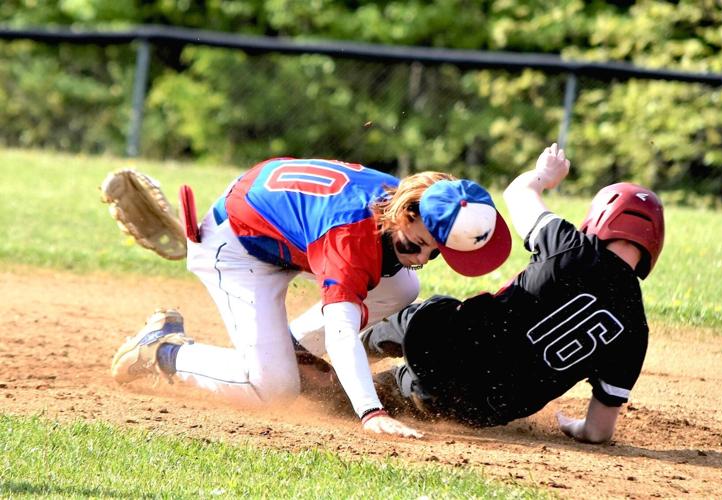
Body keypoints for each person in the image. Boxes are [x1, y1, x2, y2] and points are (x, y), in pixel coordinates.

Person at [110, 156, 512, 439]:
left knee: (402, 285)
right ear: (404, 215)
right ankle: (162, 351)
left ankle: (291, 349)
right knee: (272, 389)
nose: (422, 258)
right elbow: (341, 333)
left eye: (434, 252)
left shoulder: (405, 199)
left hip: (281, 233)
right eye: (415, 245)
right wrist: (371, 412)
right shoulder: (349, 240)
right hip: (236, 251)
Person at [361, 143, 665, 443]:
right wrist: (575, 426)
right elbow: (598, 431)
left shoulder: (570, 246)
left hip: (443, 352)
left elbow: (517, 193)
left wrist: (544, 175)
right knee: (406, 389)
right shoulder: (636, 330)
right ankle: (364, 392)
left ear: (601, 216)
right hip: (476, 412)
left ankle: (355, 352)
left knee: (435, 312)